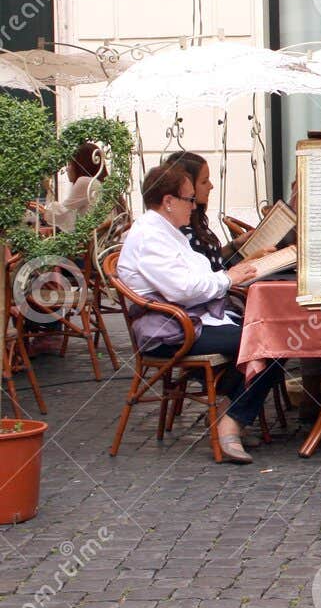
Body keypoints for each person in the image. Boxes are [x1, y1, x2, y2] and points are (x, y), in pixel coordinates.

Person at [116, 163, 280, 465]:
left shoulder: (166, 231)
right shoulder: (151, 236)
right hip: (171, 331)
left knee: (269, 336)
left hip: (189, 320)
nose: (194, 206)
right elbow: (184, 289)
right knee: (270, 341)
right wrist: (229, 278)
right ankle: (231, 422)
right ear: (169, 201)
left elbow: (197, 275)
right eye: (189, 199)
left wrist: (231, 275)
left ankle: (227, 410)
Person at [41, 143, 104, 234]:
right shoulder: (98, 182)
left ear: (81, 165)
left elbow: (60, 214)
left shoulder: (85, 181)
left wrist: (48, 193)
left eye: (70, 164)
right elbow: (71, 216)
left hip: (94, 238)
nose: (67, 169)